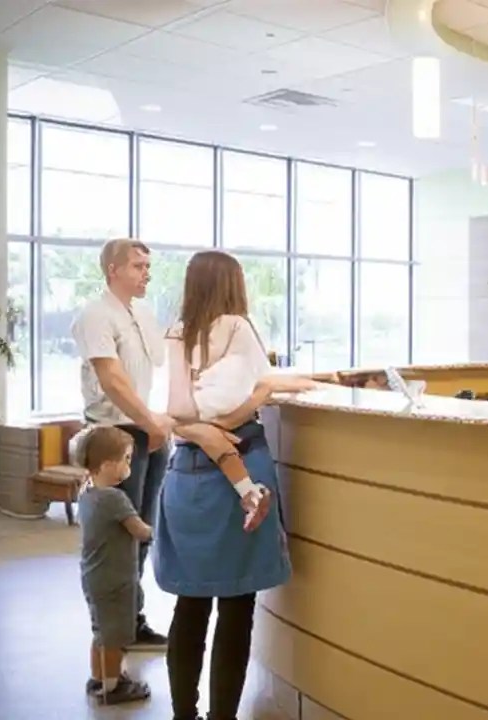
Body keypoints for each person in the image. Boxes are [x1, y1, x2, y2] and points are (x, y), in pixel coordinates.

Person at [154, 251, 318, 720]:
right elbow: (239, 405)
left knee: (190, 605)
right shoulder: (239, 327)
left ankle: (183, 714)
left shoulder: (177, 334)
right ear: (233, 284)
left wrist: (199, 430)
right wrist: (265, 394)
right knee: (236, 607)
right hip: (238, 470)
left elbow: (178, 413)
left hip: (185, 477)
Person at [71, 238, 174, 648]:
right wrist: (152, 423)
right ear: (112, 269)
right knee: (116, 540)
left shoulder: (143, 314)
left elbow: (161, 359)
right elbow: (113, 381)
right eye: (137, 266)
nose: (146, 273)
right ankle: (110, 631)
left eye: (148, 266)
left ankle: (131, 620)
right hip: (114, 434)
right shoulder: (95, 316)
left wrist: (154, 426)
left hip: (146, 432)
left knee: (141, 534)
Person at [72, 426, 154, 706]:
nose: (130, 465)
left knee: (101, 632)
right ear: (108, 465)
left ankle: (99, 679)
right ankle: (112, 686)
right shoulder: (114, 498)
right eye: (126, 459)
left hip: (94, 575)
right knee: (115, 637)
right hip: (115, 578)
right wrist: (160, 532)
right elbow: (140, 531)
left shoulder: (86, 490)